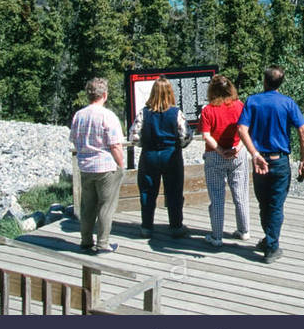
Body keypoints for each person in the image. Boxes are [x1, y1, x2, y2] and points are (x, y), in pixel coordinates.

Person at [237, 65, 304, 263]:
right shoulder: (288, 103)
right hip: (279, 162)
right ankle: (271, 247)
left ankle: (268, 239)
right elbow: (302, 131)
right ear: (281, 83)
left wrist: (254, 153)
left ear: (264, 81)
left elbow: (242, 129)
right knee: (276, 205)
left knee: (264, 203)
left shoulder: (252, 101)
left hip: (259, 161)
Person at [128, 77, 190, 238]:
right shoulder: (176, 113)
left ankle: (147, 226)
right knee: (174, 191)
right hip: (171, 155)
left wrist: (146, 144)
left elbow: (134, 136)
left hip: (150, 155)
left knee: (148, 191)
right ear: (170, 93)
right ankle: (176, 226)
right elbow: (186, 135)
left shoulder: (144, 112)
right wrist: (179, 146)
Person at [70, 77, 124, 254]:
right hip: (105, 166)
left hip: (85, 166)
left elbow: (74, 140)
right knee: (106, 206)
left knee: (88, 206)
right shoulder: (108, 116)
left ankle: (85, 240)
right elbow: (115, 144)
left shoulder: (79, 115)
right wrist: (121, 164)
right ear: (105, 95)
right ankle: (102, 243)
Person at [199, 73, 250, 247]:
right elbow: (245, 130)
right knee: (240, 194)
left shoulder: (207, 110)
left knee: (217, 197)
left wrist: (220, 151)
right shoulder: (240, 106)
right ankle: (244, 230)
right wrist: (238, 148)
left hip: (215, 156)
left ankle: (217, 236)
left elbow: (206, 135)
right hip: (238, 154)